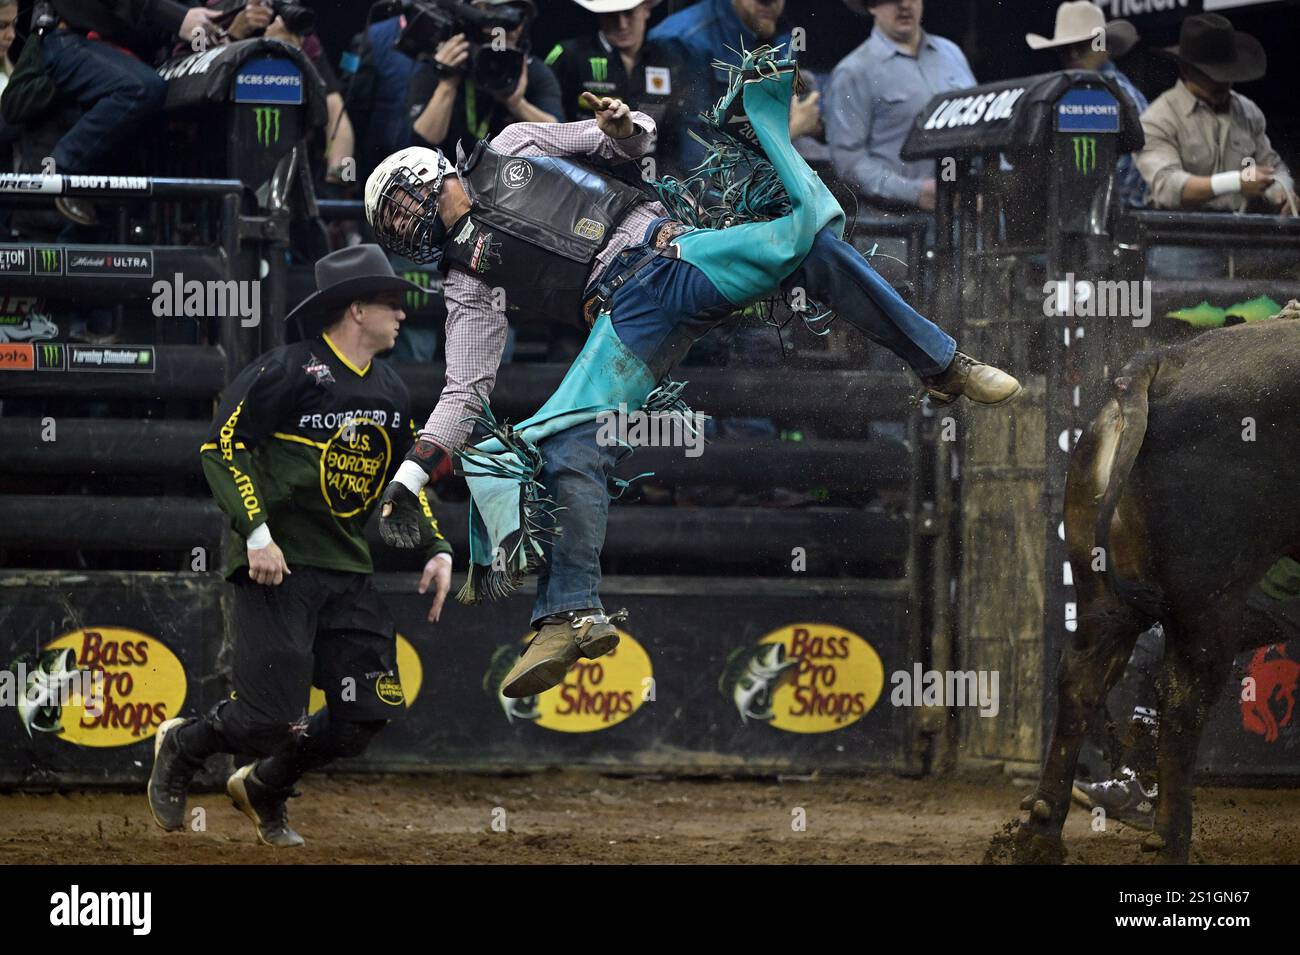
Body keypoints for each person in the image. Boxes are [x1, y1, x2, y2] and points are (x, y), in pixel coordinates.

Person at [362, 55, 1021, 701]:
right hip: (624, 314)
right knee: (568, 441)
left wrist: (623, 124)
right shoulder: (465, 281)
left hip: (675, 250)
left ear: (427, 177)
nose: (398, 228)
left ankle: (941, 364)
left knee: (810, 244)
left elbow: (628, 141)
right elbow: (464, 390)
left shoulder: (513, 143)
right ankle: (569, 614)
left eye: (395, 208)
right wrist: (410, 476)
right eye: (388, 225)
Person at [147, 246, 454, 848]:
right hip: (277, 568)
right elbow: (222, 446)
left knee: (365, 714)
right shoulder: (288, 369)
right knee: (265, 721)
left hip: (346, 569)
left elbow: (406, 478)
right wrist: (257, 534)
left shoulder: (391, 389)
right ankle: (183, 743)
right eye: (391, 303)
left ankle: (266, 785)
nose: (402, 314)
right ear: (356, 309)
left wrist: (435, 547)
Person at [34, 0, 222, 224]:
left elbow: (192, 24)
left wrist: (219, 33)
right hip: (76, 36)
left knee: (110, 208)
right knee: (141, 88)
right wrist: (177, 17)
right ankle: (59, 168)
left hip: (130, 58)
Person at [1136, 13, 1296, 277]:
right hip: (1182, 238)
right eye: (1213, 75)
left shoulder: (1248, 112)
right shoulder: (1158, 118)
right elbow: (1167, 186)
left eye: (1227, 74)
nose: (1223, 82)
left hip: (1241, 236)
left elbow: (1272, 165)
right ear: (1187, 70)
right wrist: (1236, 182)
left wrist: (1282, 191)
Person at [826, 0, 975, 214]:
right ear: (871, 5)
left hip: (963, 218)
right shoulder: (854, 71)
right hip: (895, 223)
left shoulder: (951, 54)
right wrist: (914, 192)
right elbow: (849, 161)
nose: (904, 4)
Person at [648, 0, 820, 172]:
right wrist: (792, 131)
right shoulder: (685, 41)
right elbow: (699, 161)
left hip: (761, 173)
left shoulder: (782, 34)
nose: (769, 3)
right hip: (713, 180)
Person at [544, 0, 688, 178]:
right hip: (583, 178)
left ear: (646, 10)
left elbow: (676, 134)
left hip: (649, 180)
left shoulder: (669, 60)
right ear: (599, 15)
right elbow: (547, 123)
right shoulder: (569, 54)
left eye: (629, 13)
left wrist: (677, 181)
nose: (622, 25)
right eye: (611, 15)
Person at [1025, 0, 1147, 208]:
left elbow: (1135, 169)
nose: (1072, 54)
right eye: (1065, 49)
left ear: (1103, 46)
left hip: (1118, 213)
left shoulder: (1121, 95)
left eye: (1082, 46)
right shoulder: (1068, 95)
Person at [408, 0, 562, 154]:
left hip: (506, 167)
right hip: (448, 166)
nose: (512, 26)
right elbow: (422, 144)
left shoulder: (532, 70)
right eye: (502, 12)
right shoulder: (449, 62)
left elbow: (559, 141)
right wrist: (447, 85)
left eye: (520, 16)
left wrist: (517, 104)